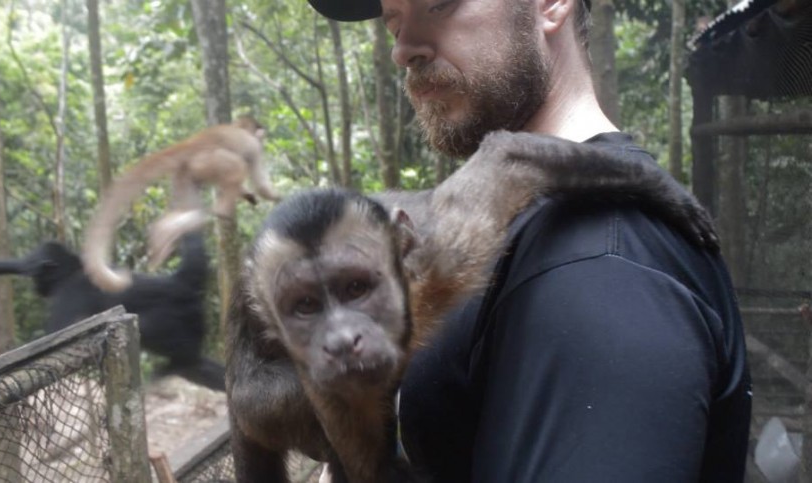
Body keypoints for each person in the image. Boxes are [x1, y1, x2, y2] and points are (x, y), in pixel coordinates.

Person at [307, 0, 752, 481]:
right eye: (393, 23)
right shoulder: (506, 229)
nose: (403, 49)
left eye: (438, 4)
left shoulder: (599, 264)